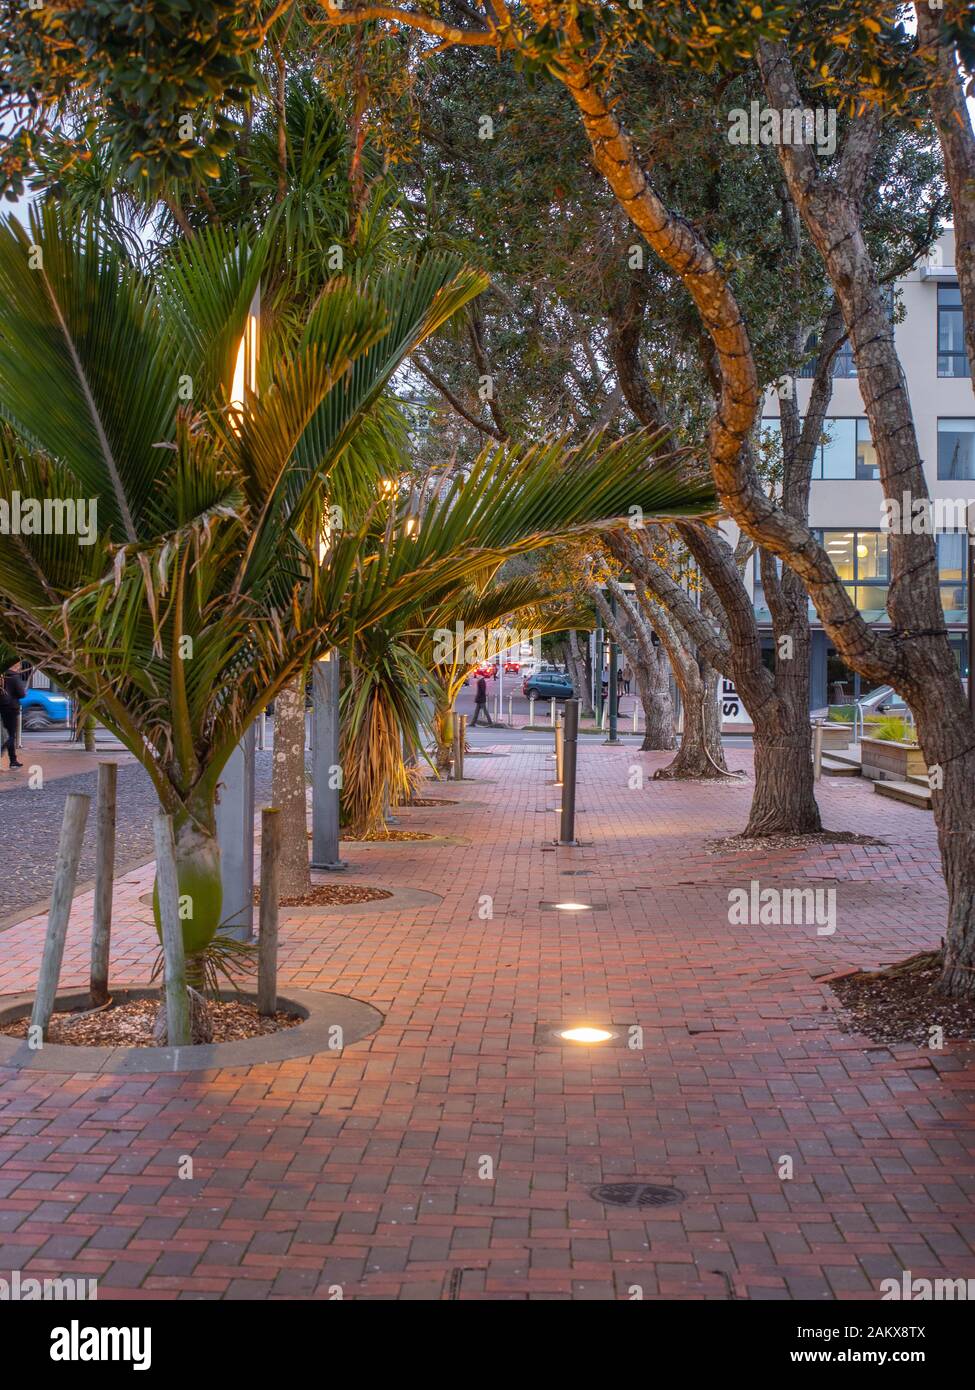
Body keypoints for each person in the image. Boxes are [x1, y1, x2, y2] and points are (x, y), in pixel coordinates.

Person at [0, 660, 27, 769]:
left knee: (7, 732)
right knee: (11, 735)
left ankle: (13, 760)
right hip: (12, 707)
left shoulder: (3, 676)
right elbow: (21, 694)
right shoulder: (15, 677)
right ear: (17, 666)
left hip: (2, 706)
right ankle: (5, 750)